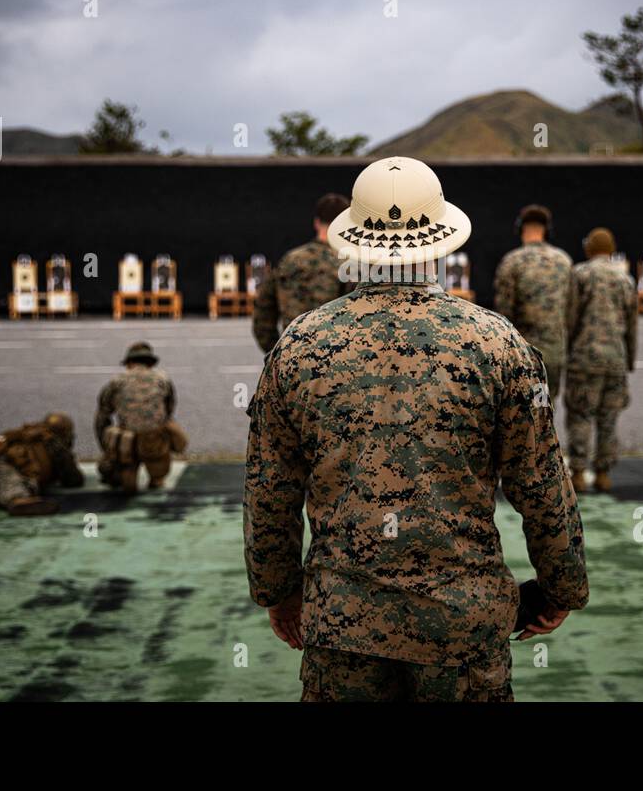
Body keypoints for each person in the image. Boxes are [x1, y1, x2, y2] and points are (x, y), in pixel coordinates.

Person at [245, 156, 589, 702]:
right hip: (463, 626)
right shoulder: (497, 344)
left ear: (353, 242)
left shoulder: (300, 346)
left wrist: (279, 593)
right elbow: (541, 482)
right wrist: (560, 586)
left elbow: (270, 490)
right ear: (443, 242)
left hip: (343, 624)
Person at [565, 228, 637, 493]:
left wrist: (569, 349)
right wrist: (629, 360)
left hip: (584, 359)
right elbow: (632, 326)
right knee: (608, 419)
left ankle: (579, 473)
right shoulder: (626, 279)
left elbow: (570, 318)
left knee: (581, 415)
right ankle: (604, 472)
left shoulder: (580, 274)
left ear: (589, 249)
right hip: (615, 360)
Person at [252, 193, 353, 354]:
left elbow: (262, 313)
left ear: (316, 222)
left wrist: (277, 354)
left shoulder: (289, 260)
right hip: (334, 360)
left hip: (292, 355)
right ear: (345, 224)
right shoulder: (349, 264)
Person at [493, 204, 572, 399]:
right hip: (554, 354)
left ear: (520, 228)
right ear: (547, 230)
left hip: (523, 355)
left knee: (523, 417)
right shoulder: (564, 261)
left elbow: (503, 314)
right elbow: (572, 310)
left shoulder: (512, 262)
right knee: (545, 409)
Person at [95, 341, 186, 493]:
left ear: (129, 363)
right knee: (166, 429)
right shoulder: (162, 379)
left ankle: (123, 470)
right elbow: (169, 410)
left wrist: (107, 448)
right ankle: (156, 478)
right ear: (150, 363)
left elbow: (102, 416)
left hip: (125, 442)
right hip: (154, 442)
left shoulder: (116, 381)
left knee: (119, 479)